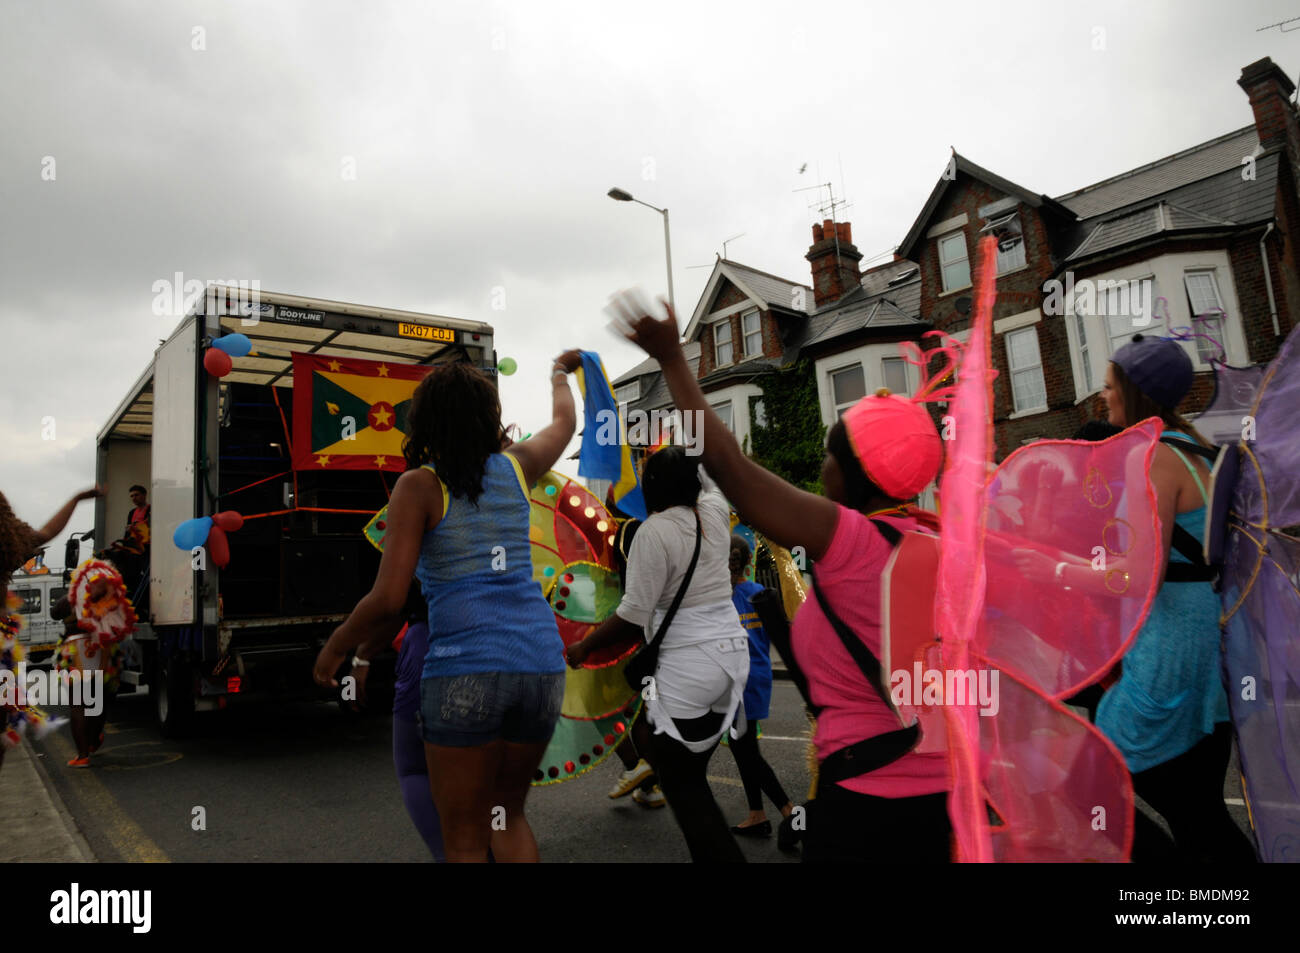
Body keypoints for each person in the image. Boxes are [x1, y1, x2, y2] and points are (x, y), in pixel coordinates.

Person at [605, 294, 951, 863]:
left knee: (685, 778)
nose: (820, 469)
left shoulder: (856, 541)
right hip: (947, 795)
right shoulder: (942, 543)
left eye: (828, 457)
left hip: (869, 798)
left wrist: (672, 359)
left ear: (853, 473)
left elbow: (730, 468)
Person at [314, 353, 581, 862]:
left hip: (464, 668)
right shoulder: (518, 466)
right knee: (509, 815)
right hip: (539, 663)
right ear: (489, 417)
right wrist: (560, 374)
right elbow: (566, 422)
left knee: (462, 833)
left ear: (425, 422)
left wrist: (336, 646)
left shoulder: (418, 487)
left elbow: (389, 598)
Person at [1092, 334, 1256, 863]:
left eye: (1111, 385)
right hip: (1208, 641)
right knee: (1199, 805)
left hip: (1172, 648)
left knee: (1114, 771)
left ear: (1136, 393)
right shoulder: (1197, 451)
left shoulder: (1156, 460)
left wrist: (1052, 568)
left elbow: (1139, 574)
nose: (1103, 395)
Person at [567, 446, 750, 863]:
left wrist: (586, 645)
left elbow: (634, 614)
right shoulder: (716, 514)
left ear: (652, 487)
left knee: (683, 782)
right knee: (681, 764)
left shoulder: (654, 531)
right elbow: (712, 477)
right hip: (731, 657)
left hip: (689, 663)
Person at [0, 486, 101, 777]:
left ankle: (86, 749)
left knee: (82, 701)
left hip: (74, 650)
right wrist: (78, 498)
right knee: (88, 700)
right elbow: (44, 534)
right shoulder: (9, 546)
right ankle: (88, 747)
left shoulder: (69, 598)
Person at [725, 535, 795, 839]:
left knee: (747, 750)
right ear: (749, 563)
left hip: (735, 683)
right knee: (743, 748)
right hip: (757, 677)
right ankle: (757, 814)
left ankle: (790, 812)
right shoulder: (759, 593)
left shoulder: (717, 598)